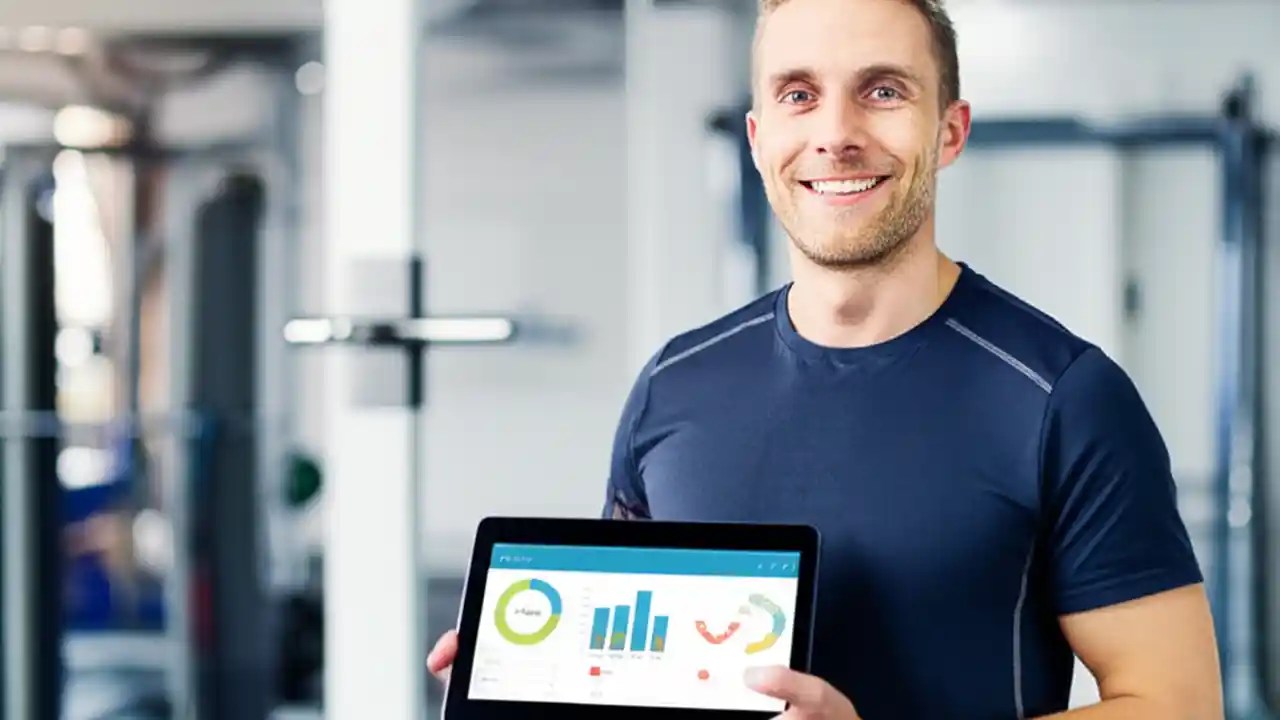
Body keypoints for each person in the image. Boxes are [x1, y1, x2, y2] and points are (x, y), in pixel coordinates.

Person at [429, 0, 1225, 716]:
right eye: (798, 95)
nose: (835, 134)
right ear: (758, 136)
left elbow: (1176, 704)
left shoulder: (1065, 397)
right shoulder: (673, 385)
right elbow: (649, 670)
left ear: (950, 129)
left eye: (883, 91)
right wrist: (543, 671)